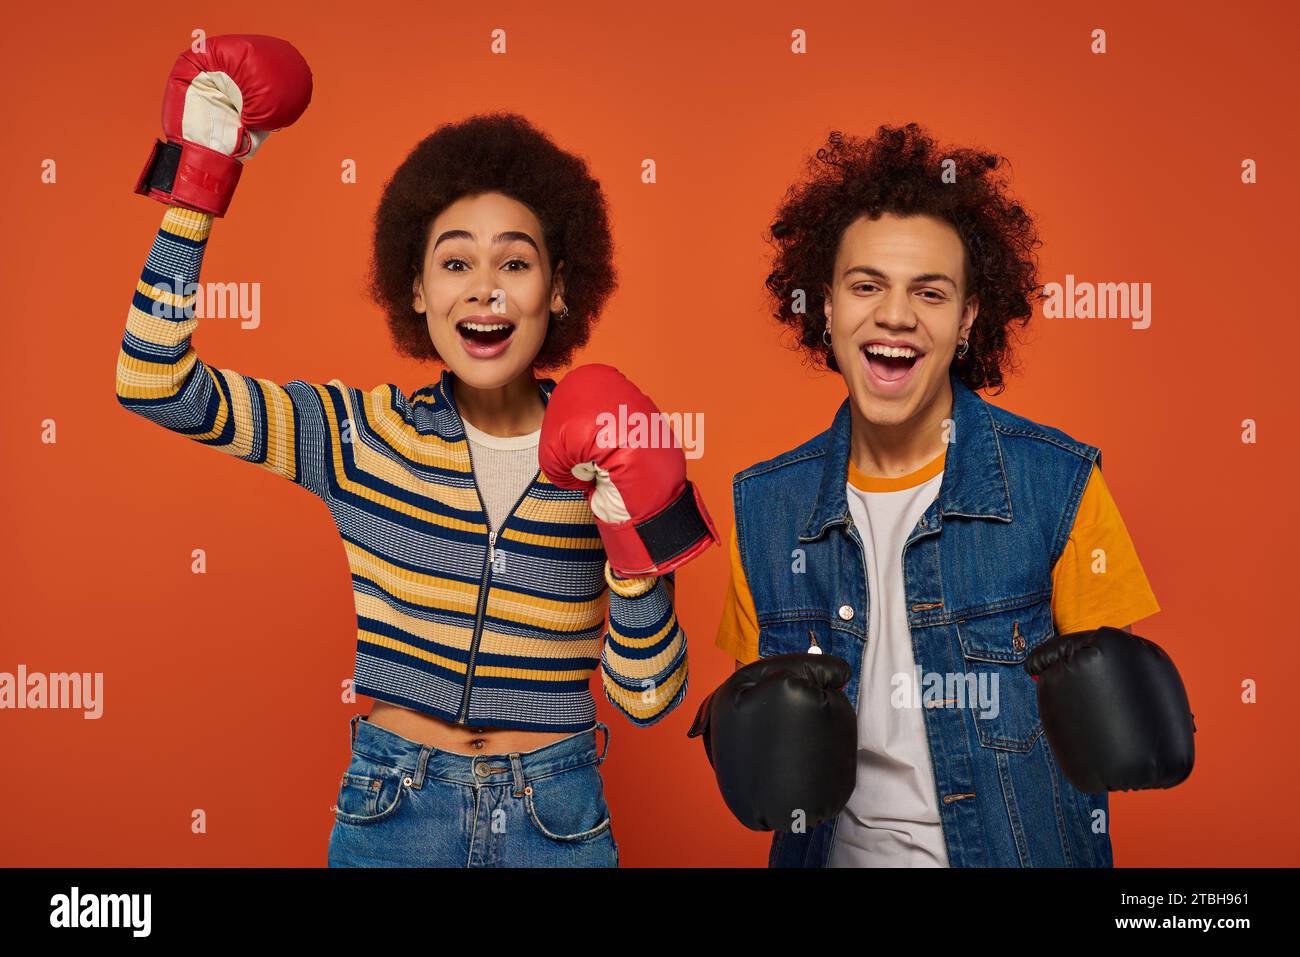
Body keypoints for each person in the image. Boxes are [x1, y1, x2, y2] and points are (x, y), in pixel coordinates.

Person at [117, 35, 710, 867]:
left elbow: (647, 700)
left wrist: (632, 551)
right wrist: (197, 185)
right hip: (395, 807)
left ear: (561, 288)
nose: (486, 287)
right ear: (417, 291)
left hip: (558, 815)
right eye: (455, 261)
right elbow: (152, 381)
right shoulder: (360, 435)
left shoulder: (611, 451)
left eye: (516, 261)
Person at [712, 123, 1161, 867]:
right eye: (866, 286)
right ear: (824, 306)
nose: (895, 315)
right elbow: (757, 755)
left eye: (929, 291)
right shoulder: (766, 508)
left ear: (968, 319)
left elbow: (1116, 716)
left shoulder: (1060, 485)